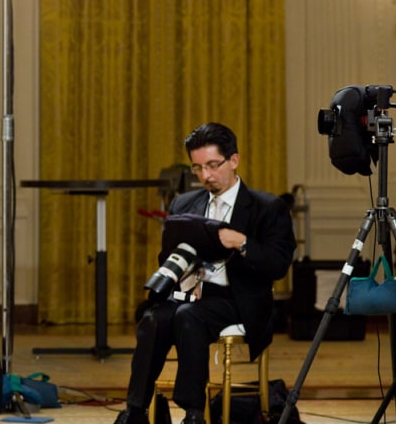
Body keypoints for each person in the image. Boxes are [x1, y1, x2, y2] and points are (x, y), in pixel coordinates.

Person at [116, 122, 296, 424]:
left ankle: (194, 413)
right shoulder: (185, 203)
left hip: (239, 299)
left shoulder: (267, 207)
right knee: (153, 318)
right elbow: (168, 257)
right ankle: (135, 411)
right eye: (198, 168)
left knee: (189, 316)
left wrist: (241, 242)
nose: (206, 176)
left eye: (213, 166)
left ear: (234, 160)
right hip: (192, 294)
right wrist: (184, 277)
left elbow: (278, 265)